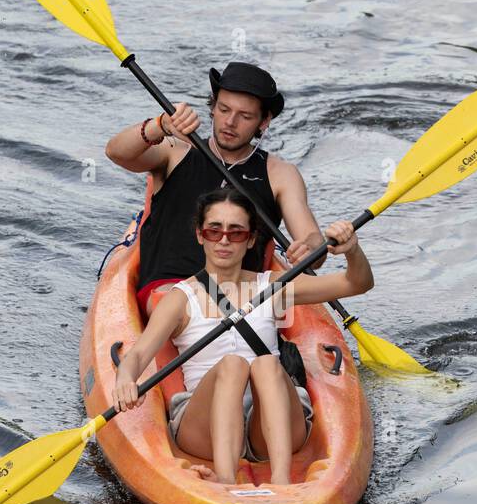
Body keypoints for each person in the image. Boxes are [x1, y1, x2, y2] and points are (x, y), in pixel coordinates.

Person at [111, 188, 373, 485]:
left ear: (250, 240)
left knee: (267, 364)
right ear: (200, 235)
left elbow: (357, 283)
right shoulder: (181, 297)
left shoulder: (274, 285)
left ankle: (281, 482)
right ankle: (224, 479)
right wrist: (125, 379)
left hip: (270, 424)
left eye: (236, 233)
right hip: (205, 427)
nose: (224, 240)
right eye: (214, 231)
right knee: (232, 365)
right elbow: (139, 355)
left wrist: (352, 249)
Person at [105, 61, 326, 320]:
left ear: (264, 121)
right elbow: (116, 153)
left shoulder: (280, 174)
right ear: (213, 107)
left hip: (240, 298)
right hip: (168, 290)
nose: (230, 122)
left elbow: (312, 239)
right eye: (223, 109)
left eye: (245, 116)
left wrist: (309, 250)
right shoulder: (176, 151)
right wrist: (160, 125)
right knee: (180, 310)